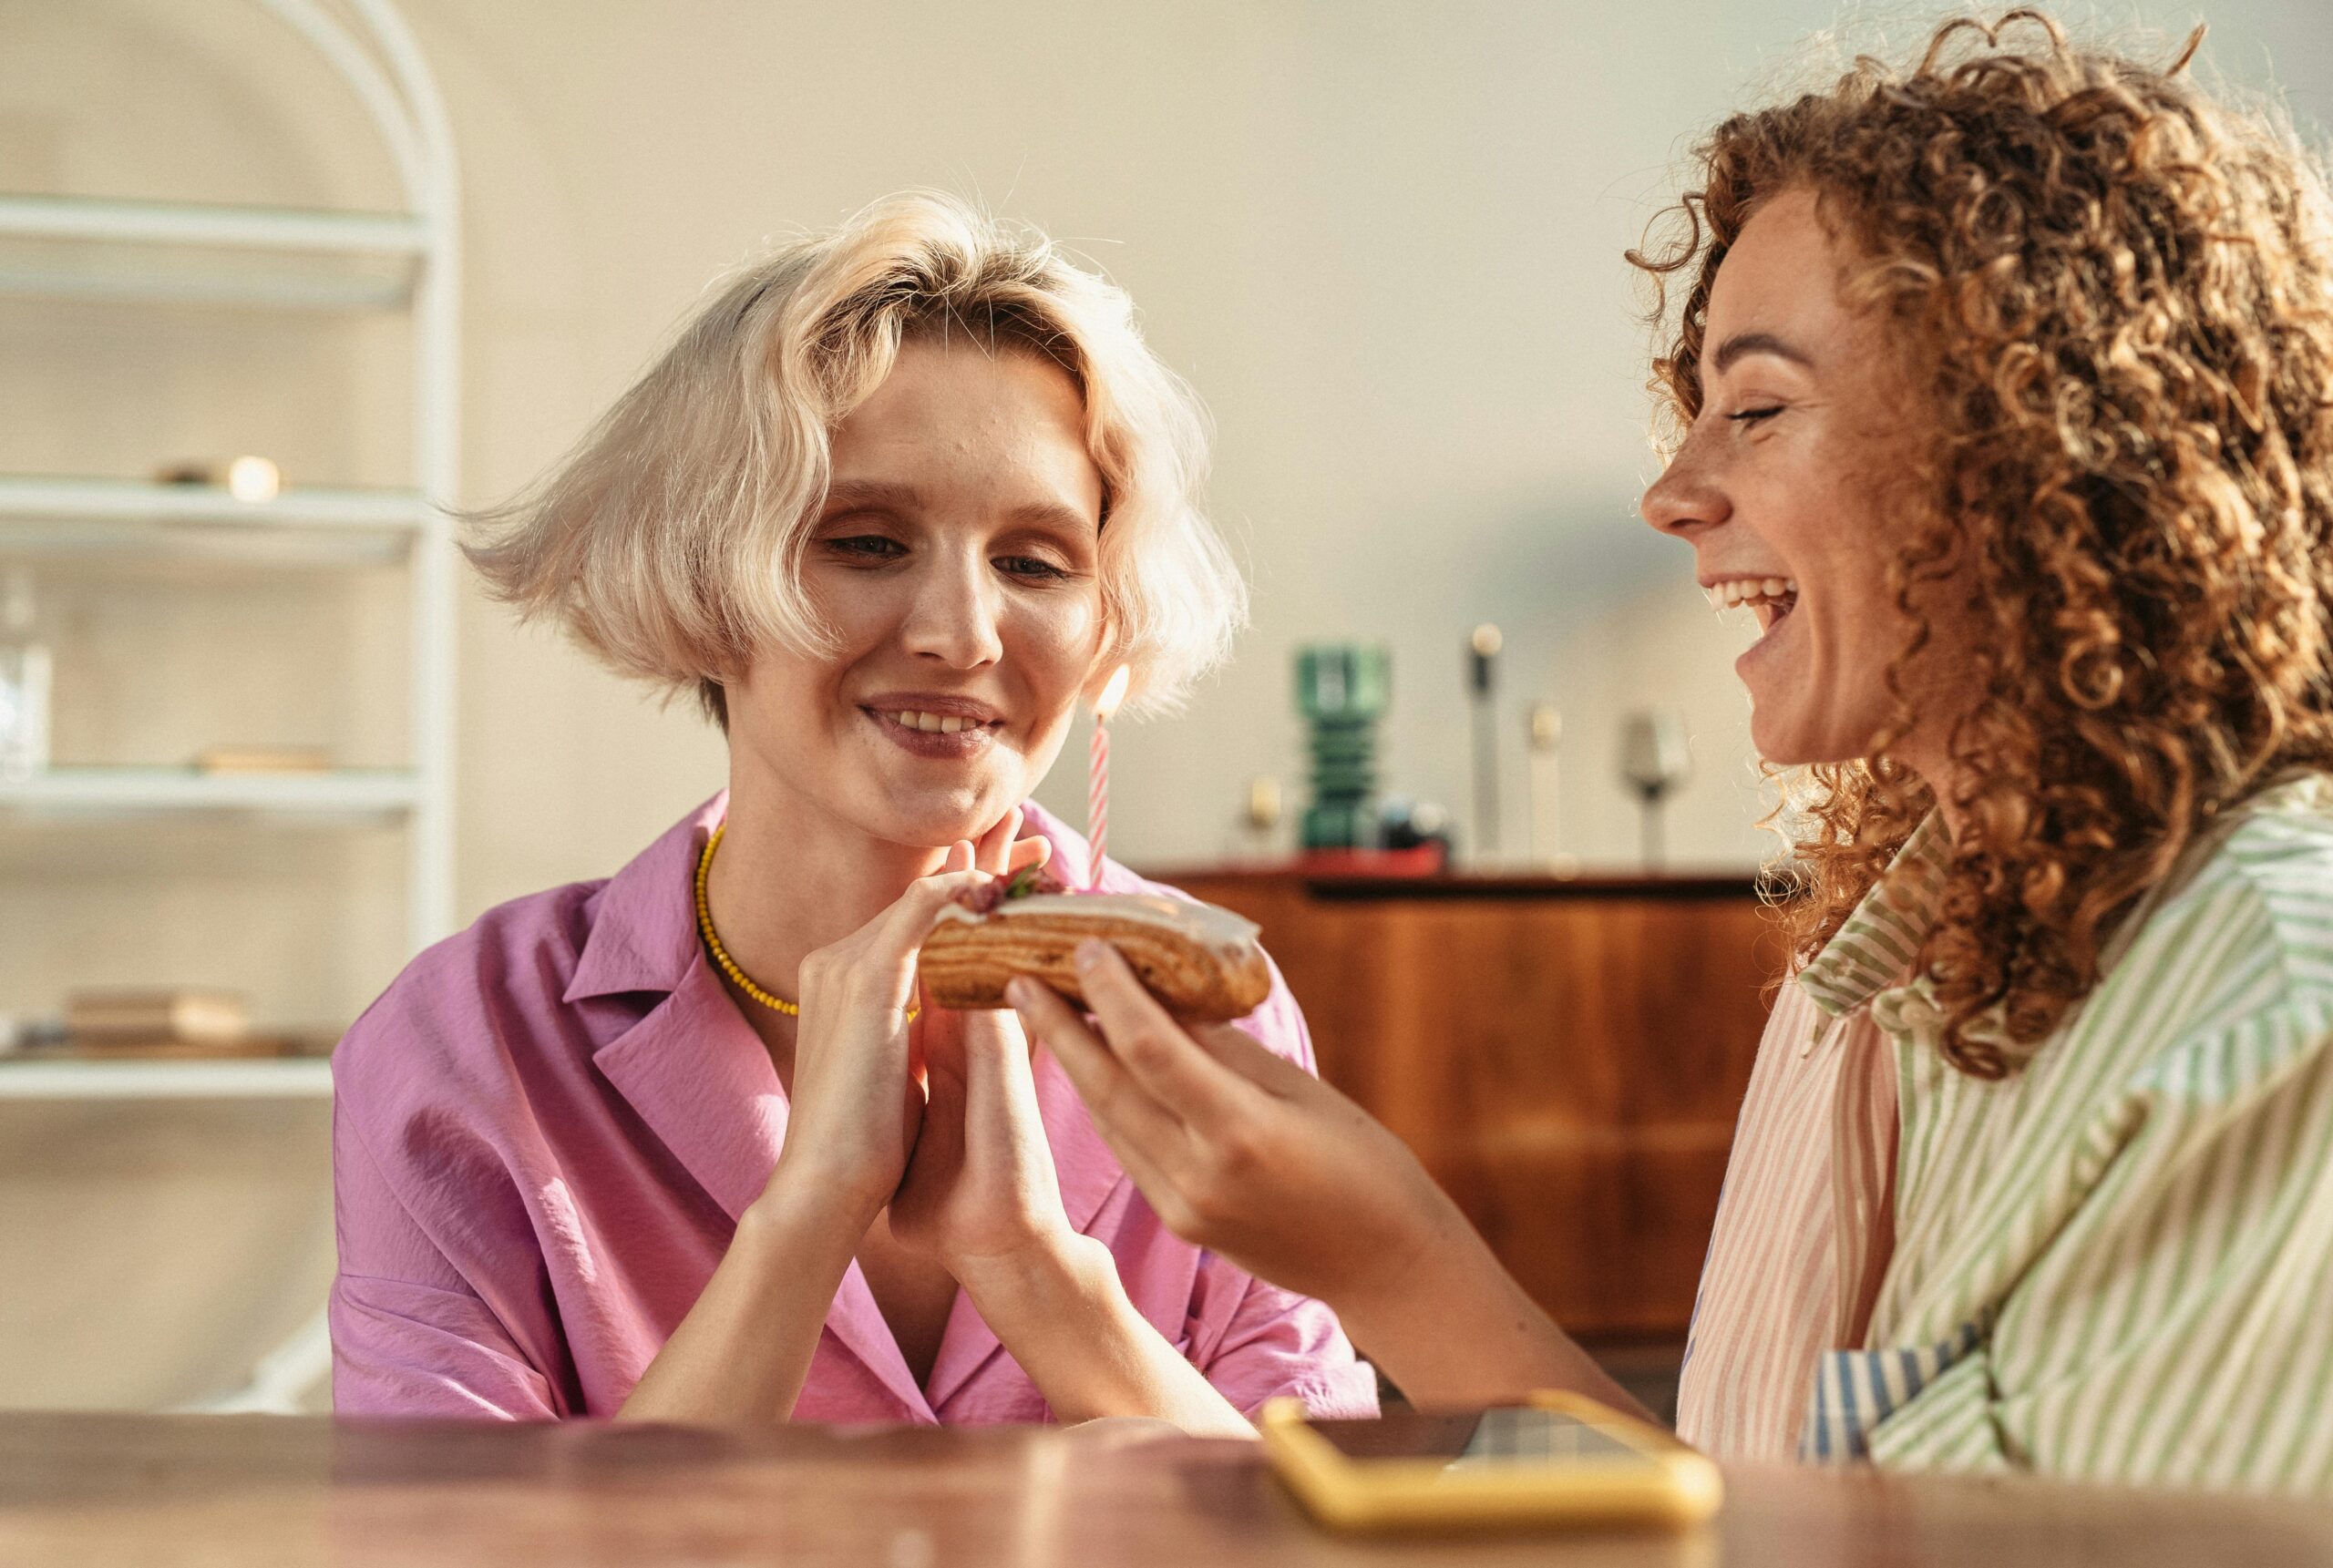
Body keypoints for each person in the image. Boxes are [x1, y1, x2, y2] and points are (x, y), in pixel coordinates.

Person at [1012, 13, 2333, 1491]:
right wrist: (1390, 1258)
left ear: (2044, 440)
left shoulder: (2275, 1016)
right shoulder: (1878, 973)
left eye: (1758, 408)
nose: (1672, 492)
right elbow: (1727, 1518)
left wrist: (1389, 1248)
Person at [327, 193, 1375, 1430]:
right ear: (710, 582)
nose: (960, 633)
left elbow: (1325, 1534)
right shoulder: (462, 1043)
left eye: (1034, 561)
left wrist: (1038, 1272)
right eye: (868, 542)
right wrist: (805, 1216)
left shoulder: (1211, 1017)